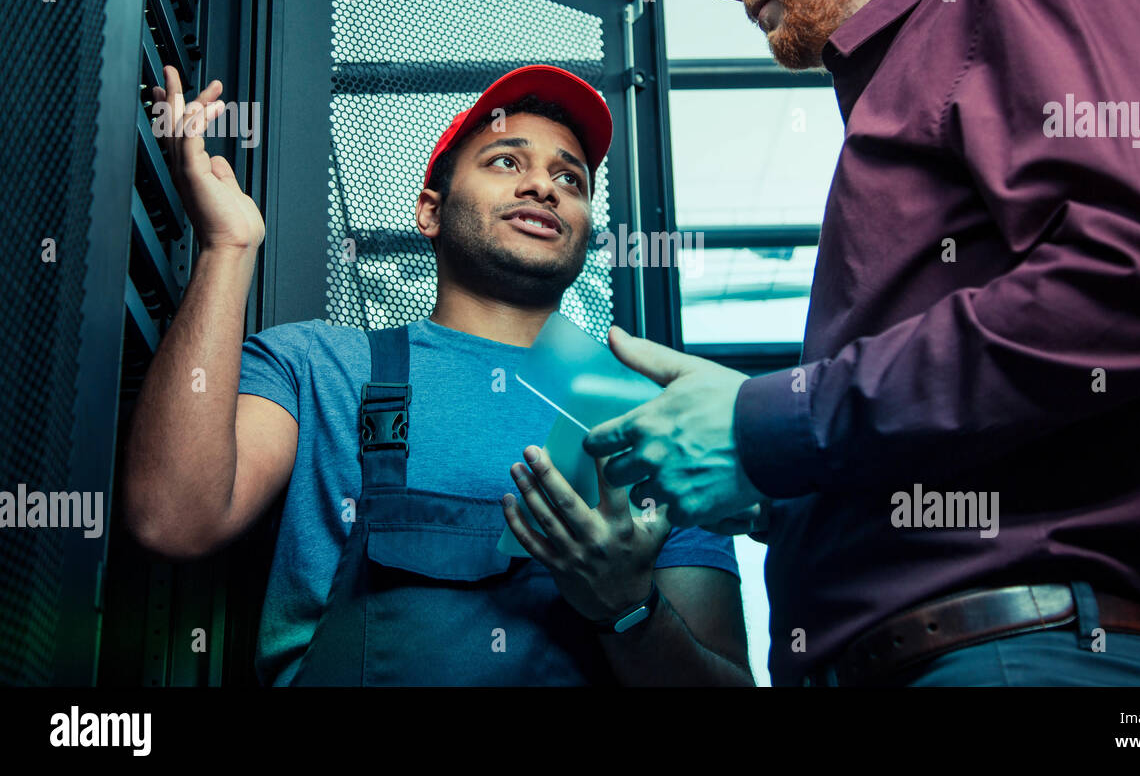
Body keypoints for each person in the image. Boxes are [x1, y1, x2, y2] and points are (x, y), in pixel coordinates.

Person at [582, 0, 1140, 687]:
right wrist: (772, 490)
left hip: (1027, 658)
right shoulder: (887, 110)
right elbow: (965, 435)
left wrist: (765, 423)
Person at [125, 62, 752, 686]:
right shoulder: (319, 368)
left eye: (571, 178)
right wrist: (226, 247)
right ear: (431, 212)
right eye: (507, 161)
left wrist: (627, 608)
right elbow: (173, 517)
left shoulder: (650, 421)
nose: (544, 186)